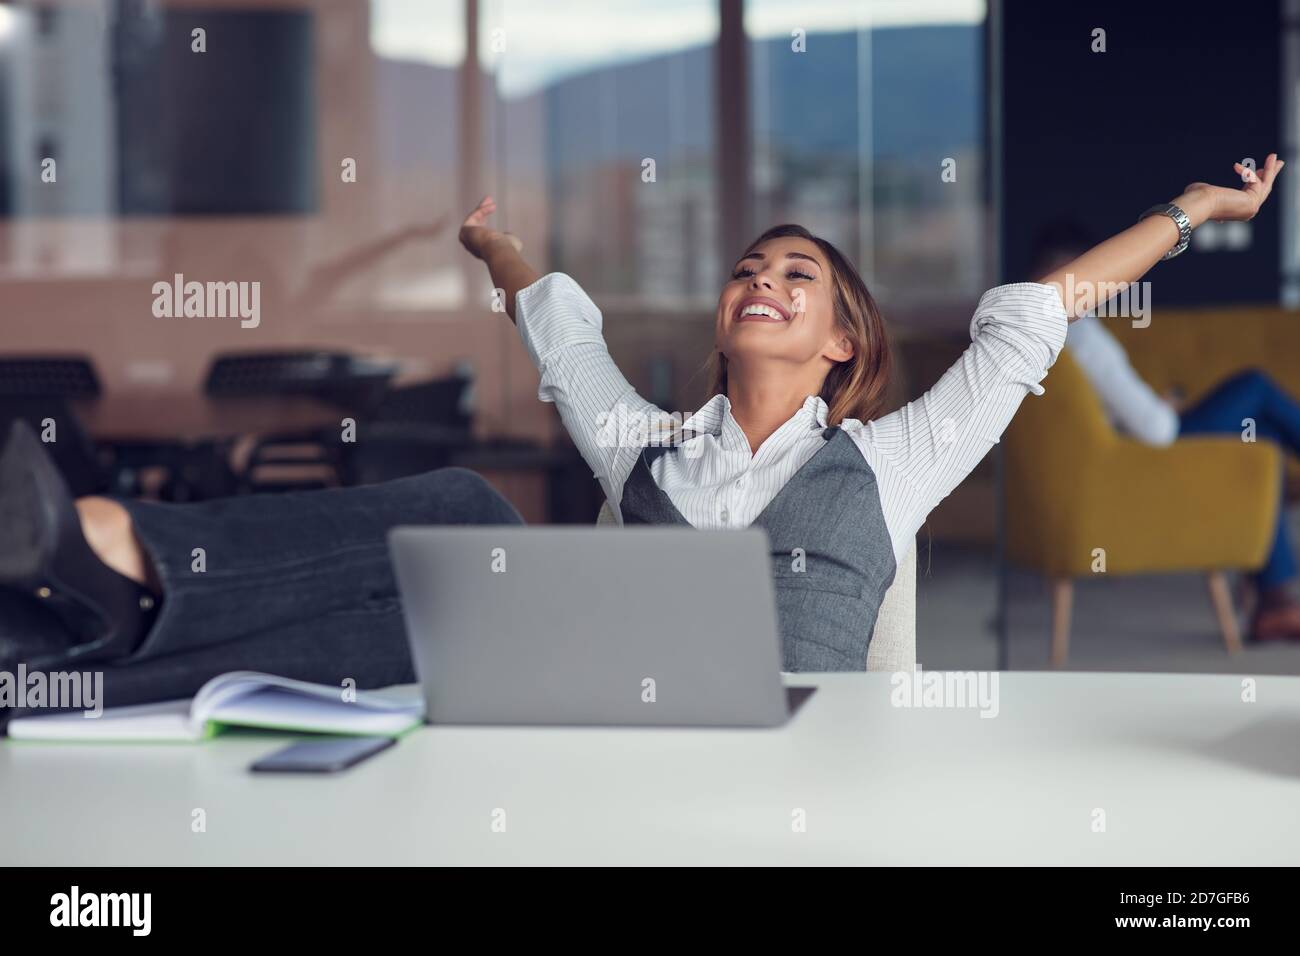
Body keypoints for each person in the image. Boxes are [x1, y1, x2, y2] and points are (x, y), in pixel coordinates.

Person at [0, 157, 1285, 720]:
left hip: (799, 747)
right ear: (725, 318)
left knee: (471, 522)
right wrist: (489, 243)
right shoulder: (653, 448)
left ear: (843, 340)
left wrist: (1196, 211)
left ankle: (99, 566)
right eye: (747, 268)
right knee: (449, 539)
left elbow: (1031, 317)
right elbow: (561, 330)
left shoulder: (893, 457)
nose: (762, 279)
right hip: (610, 713)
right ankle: (91, 617)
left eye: (798, 274)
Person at [1033, 218, 1300, 641]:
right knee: (1255, 387)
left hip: (1120, 448)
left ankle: (1277, 602)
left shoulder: (1039, 335)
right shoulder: (1080, 336)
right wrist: (1162, 408)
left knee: (1261, 438)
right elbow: (1156, 431)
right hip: (1149, 451)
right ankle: (1276, 598)